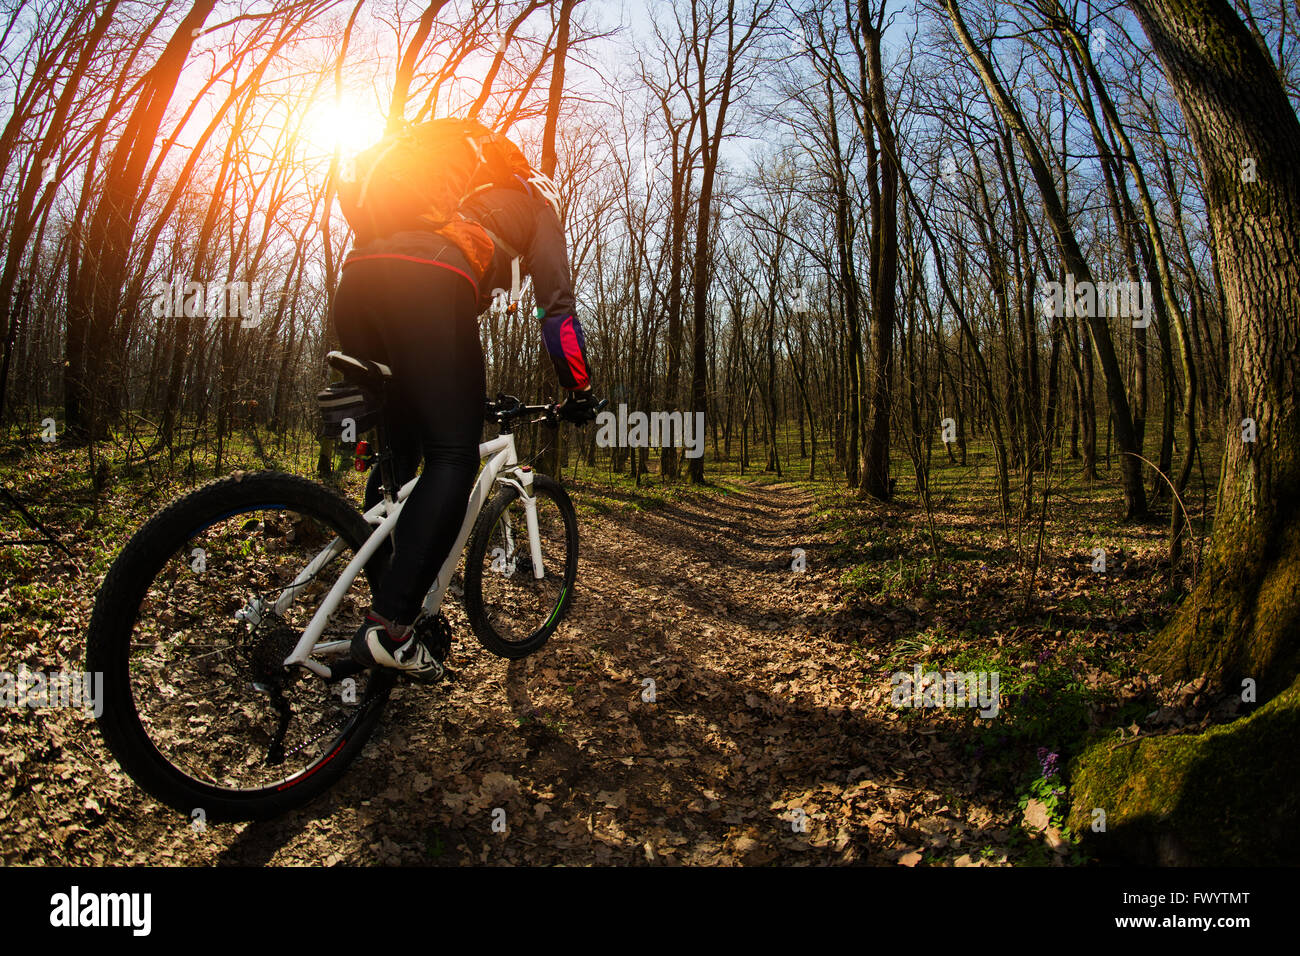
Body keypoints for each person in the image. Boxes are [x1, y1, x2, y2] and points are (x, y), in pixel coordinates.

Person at [329, 122, 599, 681]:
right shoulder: (536, 205)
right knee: (452, 456)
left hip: (357, 282)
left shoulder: (458, 201)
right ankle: (393, 627)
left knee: (400, 465)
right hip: (425, 282)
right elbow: (557, 309)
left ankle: (380, 605)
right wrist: (579, 389)